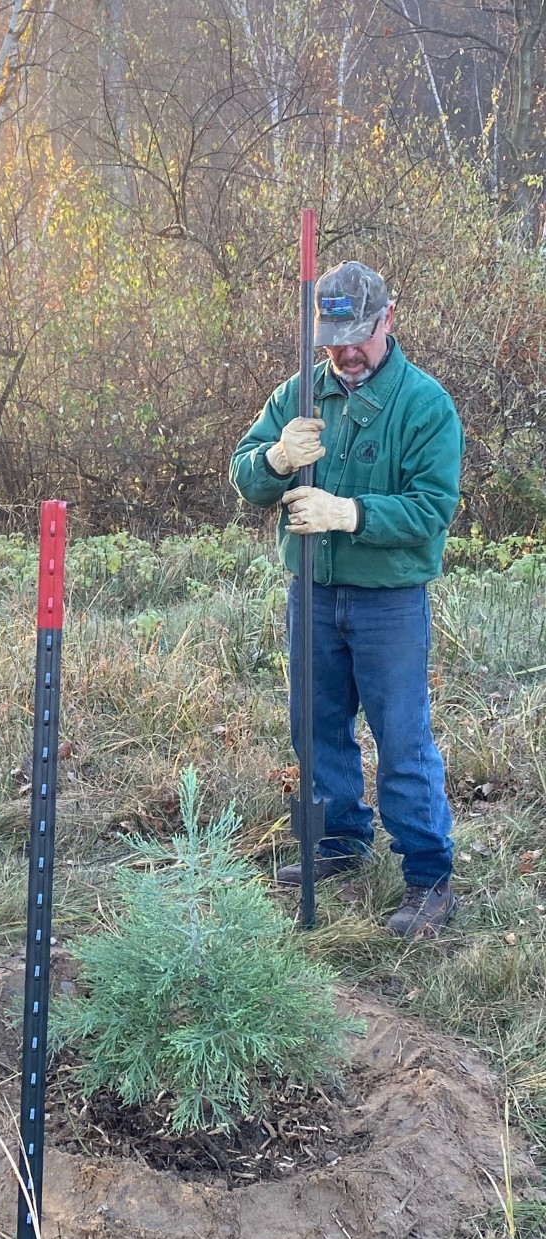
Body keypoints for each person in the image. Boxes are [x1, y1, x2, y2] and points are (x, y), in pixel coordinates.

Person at [229, 261, 464, 939]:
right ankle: (334, 843)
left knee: (402, 737)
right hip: (313, 589)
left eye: (358, 335)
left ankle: (427, 875)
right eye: (332, 338)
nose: (346, 352)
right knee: (313, 725)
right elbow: (245, 475)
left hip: (389, 604)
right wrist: (273, 459)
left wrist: (348, 513)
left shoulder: (425, 406)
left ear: (389, 318)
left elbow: (430, 509)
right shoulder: (300, 394)